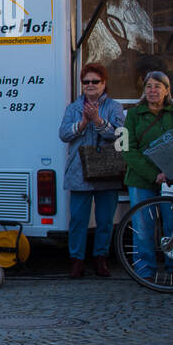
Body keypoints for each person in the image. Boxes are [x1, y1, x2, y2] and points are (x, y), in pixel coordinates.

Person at [58, 63, 126, 277]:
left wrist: (97, 121)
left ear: (104, 83)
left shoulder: (114, 107)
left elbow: (120, 136)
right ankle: (77, 261)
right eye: (85, 81)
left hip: (108, 169)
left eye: (95, 81)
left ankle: (101, 259)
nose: (89, 85)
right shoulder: (73, 107)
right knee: (78, 219)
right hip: (80, 169)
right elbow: (63, 134)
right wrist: (82, 123)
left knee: (105, 220)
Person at [121, 70, 173, 279]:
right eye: (149, 86)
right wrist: (154, 175)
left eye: (157, 86)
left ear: (166, 90)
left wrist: (166, 173)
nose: (152, 91)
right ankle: (144, 271)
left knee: (171, 225)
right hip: (140, 179)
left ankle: (171, 267)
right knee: (142, 227)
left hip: (170, 179)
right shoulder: (132, 115)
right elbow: (126, 148)